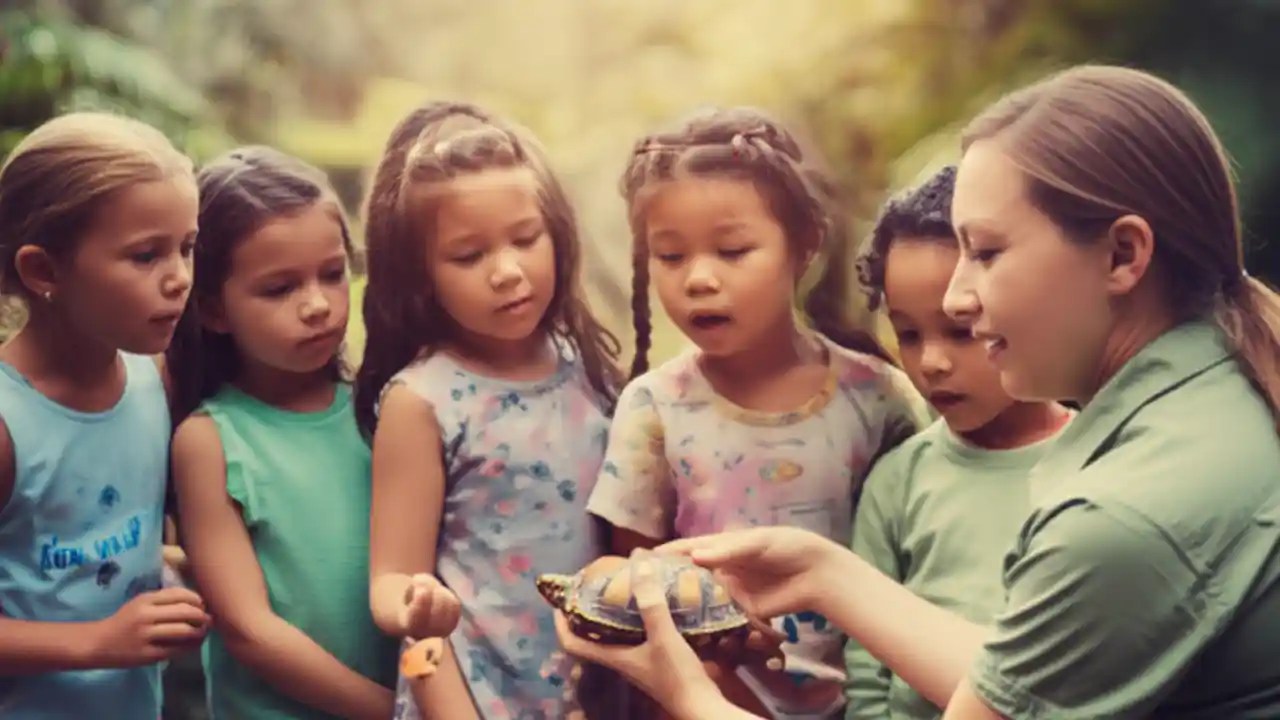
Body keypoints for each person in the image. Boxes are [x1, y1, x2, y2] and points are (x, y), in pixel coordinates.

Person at [558, 64, 1280, 720]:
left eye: (986, 252)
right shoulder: (1225, 389)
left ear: (1123, 254)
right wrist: (822, 572)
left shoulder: (1121, 521)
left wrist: (683, 692)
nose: (960, 297)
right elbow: (1030, 685)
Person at [585, 106, 930, 719]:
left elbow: (921, 565)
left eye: (733, 249)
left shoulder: (879, 400)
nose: (698, 279)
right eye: (670, 256)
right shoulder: (654, 408)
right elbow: (634, 573)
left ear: (805, 246)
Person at [355, 101, 623, 719]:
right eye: (469, 256)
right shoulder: (423, 400)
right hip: (468, 696)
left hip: (592, 692)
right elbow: (392, 580)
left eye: (525, 239)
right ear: (421, 274)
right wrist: (414, 605)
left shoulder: (584, 367)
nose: (506, 271)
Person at [166, 146, 403, 719]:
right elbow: (249, 630)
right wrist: (395, 711)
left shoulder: (385, 411)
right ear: (213, 310)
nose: (318, 305)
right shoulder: (211, 440)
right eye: (279, 289)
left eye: (332, 273)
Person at [0, 112, 209, 717]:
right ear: (44, 271)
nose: (180, 280)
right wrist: (95, 641)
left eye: (187, 248)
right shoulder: (10, 425)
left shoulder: (154, 379)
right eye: (146, 256)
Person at [844, 164, 1072, 719]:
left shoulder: (1101, 459)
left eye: (960, 330)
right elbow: (866, 672)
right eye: (909, 334)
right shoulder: (898, 482)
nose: (932, 363)